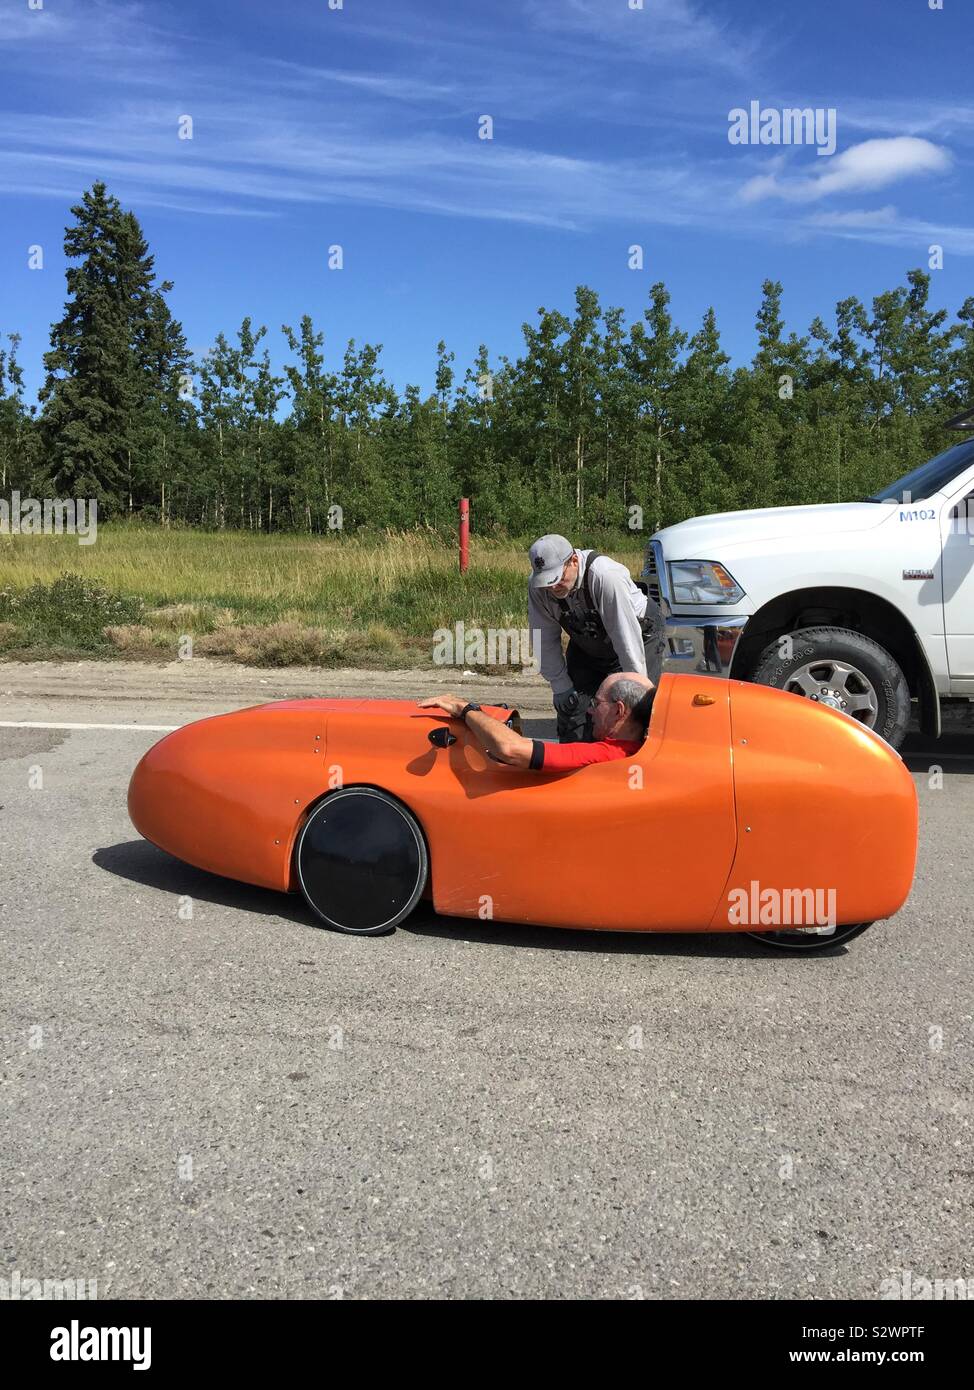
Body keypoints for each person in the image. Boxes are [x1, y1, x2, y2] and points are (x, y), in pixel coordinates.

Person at [527, 534, 666, 742]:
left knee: (632, 715)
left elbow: (626, 638)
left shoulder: (605, 576)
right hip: (588, 643)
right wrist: (560, 686)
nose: (552, 588)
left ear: (574, 561)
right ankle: (578, 757)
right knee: (573, 712)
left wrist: (635, 690)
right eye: (546, 582)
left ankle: (636, 756)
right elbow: (543, 637)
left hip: (638, 636)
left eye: (557, 579)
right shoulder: (539, 589)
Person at [419, 672, 655, 772]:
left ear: (618, 710)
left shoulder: (605, 755)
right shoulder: (643, 750)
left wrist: (464, 708)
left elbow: (510, 749)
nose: (590, 711)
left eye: (597, 703)